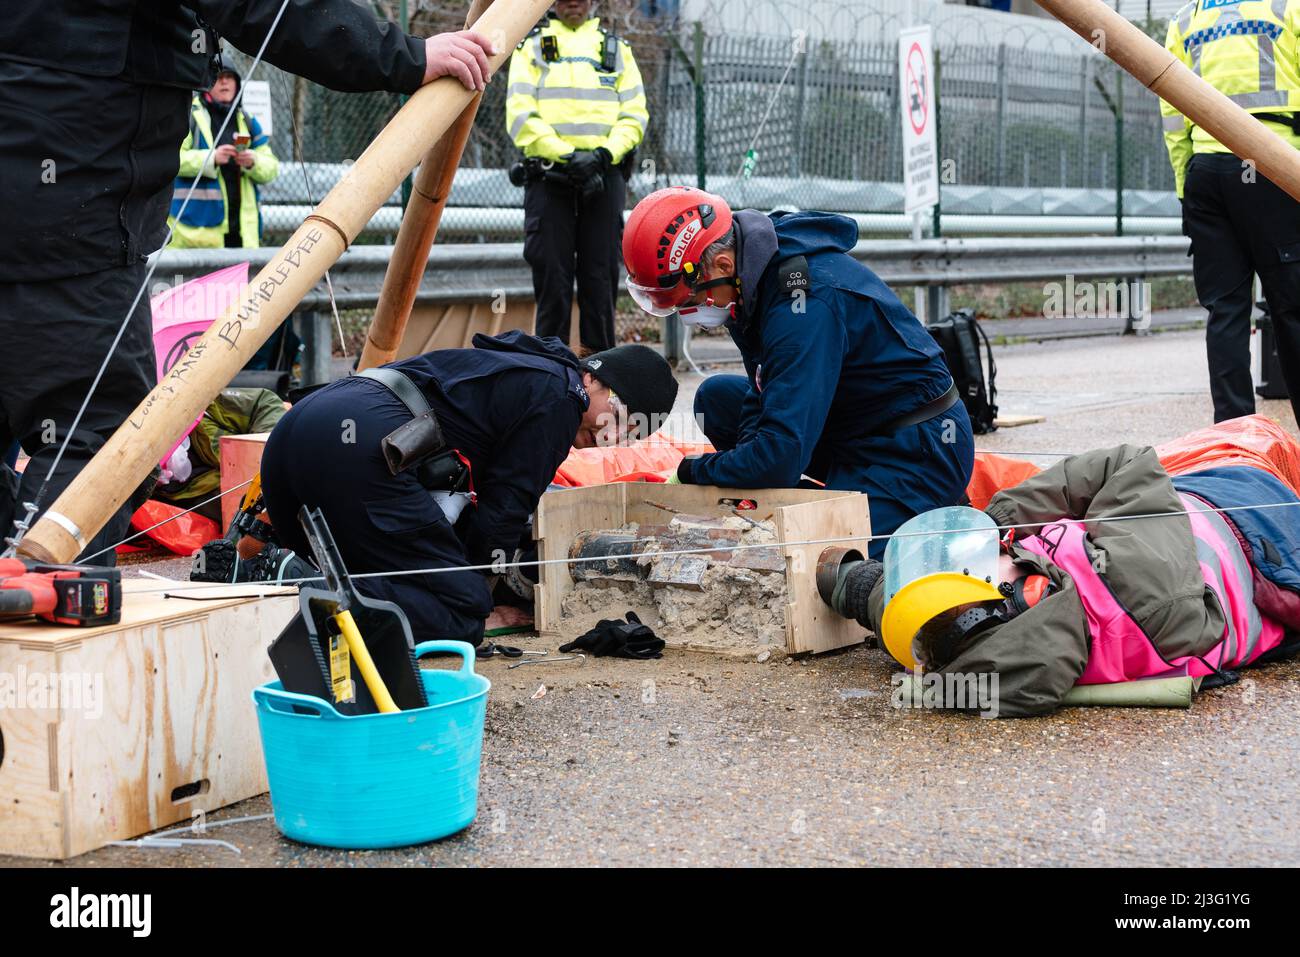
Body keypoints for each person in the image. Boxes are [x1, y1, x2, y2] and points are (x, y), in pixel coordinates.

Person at [0, 1, 496, 563]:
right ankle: (38, 598)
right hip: (64, 223)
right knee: (100, 433)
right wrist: (404, 56)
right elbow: (265, 6)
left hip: (49, 199)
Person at [258, 332, 678, 646]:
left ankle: (268, 574)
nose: (611, 435)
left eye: (628, 435)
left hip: (300, 429)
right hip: (361, 450)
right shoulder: (562, 399)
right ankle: (301, 589)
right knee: (461, 614)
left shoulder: (532, 368)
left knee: (383, 571)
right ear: (592, 379)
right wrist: (474, 589)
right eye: (618, 416)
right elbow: (503, 511)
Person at [622, 186, 974, 559]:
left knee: (829, 558)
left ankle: (923, 507)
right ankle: (812, 498)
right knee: (717, 399)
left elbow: (778, 453)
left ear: (723, 265)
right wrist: (748, 476)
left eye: (690, 302)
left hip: (915, 451)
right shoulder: (751, 276)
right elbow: (762, 389)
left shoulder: (803, 307)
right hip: (856, 423)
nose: (692, 317)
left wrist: (693, 473)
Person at [839, 443, 1300, 717]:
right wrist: (1000, 519)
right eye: (981, 563)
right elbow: (1128, 463)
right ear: (1030, 589)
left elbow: (913, 609)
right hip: (1249, 511)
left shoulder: (959, 653)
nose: (992, 552)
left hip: (1179, 539)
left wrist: (850, 584)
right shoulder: (1141, 586)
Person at [1162, 0, 1300, 426]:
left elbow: (1171, 115)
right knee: (1293, 307)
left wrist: (1187, 186)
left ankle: (1236, 441)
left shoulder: (1185, 18)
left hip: (1208, 172)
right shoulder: (1288, 8)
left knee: (1226, 312)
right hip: (1274, 165)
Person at [506, 0, 649, 354]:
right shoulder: (531, 47)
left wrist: (602, 155)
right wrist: (567, 156)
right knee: (552, 281)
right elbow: (521, 116)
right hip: (550, 179)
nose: (573, 1)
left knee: (599, 281)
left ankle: (601, 373)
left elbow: (634, 116)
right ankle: (548, 375)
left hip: (603, 178)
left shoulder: (616, 50)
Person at [168, 62, 279, 249]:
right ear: (207, 81)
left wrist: (253, 162)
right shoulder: (188, 116)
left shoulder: (248, 121)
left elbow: (272, 168)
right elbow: (171, 160)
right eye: (219, 77)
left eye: (229, 77)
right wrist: (211, 159)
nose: (224, 82)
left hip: (242, 232)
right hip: (197, 232)